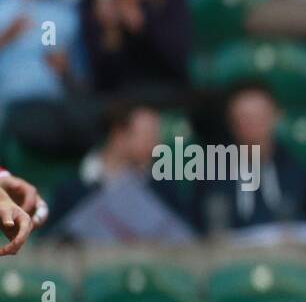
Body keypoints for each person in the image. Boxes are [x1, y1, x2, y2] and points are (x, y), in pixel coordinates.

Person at [47, 102, 198, 243]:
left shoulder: (164, 189)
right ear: (119, 135)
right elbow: (51, 244)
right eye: (148, 136)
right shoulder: (71, 191)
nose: (156, 144)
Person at [0, 0, 85, 144]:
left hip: (55, 106)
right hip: (12, 105)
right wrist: (4, 39)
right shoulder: (2, 4)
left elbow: (81, 80)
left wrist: (65, 70)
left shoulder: (65, 13)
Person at [204, 81, 306, 232]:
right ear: (231, 122)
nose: (252, 128)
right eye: (244, 120)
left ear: (276, 117)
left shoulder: (296, 170)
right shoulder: (212, 176)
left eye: (259, 119)